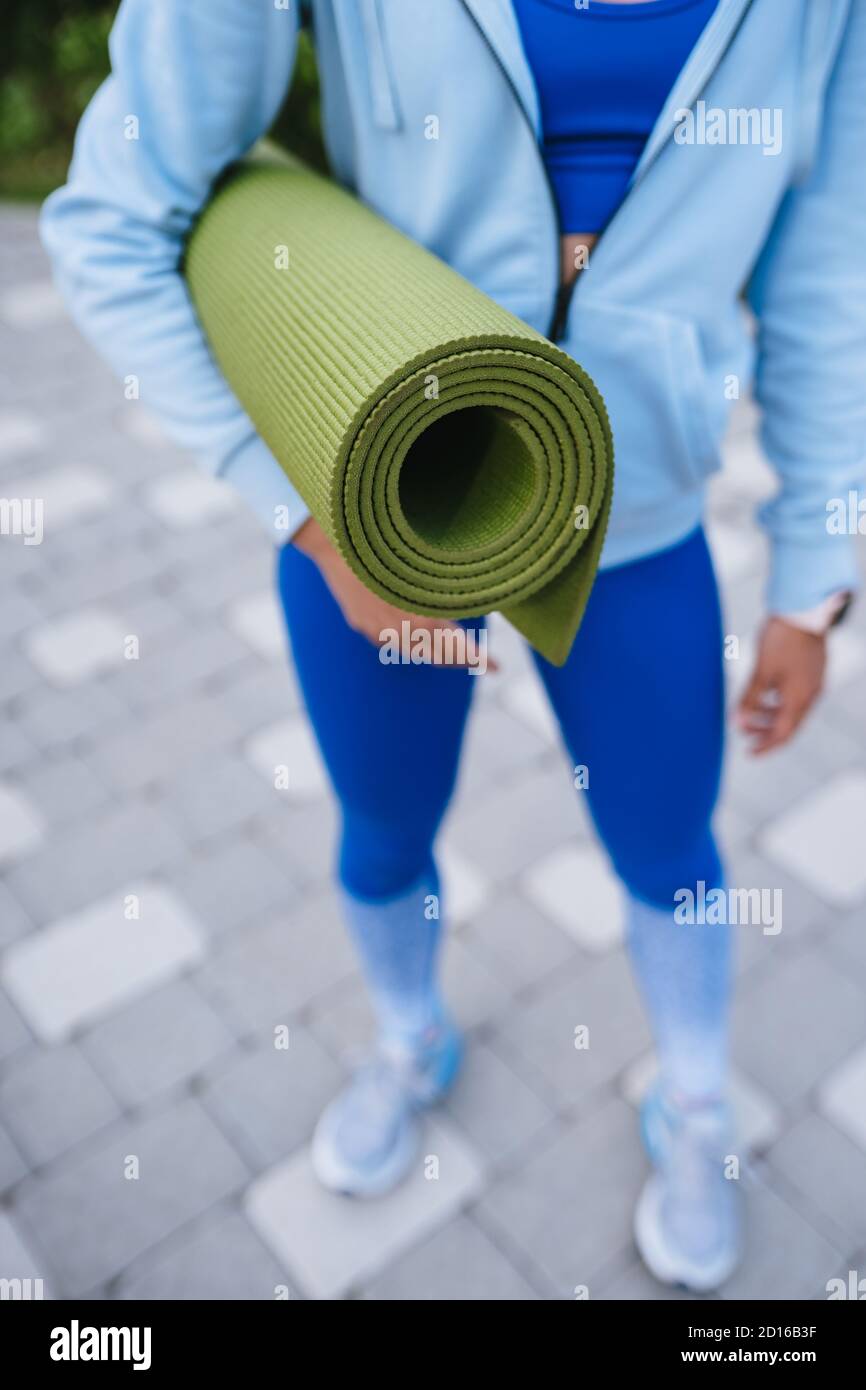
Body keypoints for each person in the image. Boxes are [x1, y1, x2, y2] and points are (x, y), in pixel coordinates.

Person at [41, 0, 864, 1293]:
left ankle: (695, 1098)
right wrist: (307, 511)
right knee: (382, 825)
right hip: (377, 498)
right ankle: (407, 1037)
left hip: (635, 513)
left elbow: (828, 277)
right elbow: (114, 216)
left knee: (670, 841)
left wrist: (815, 575)